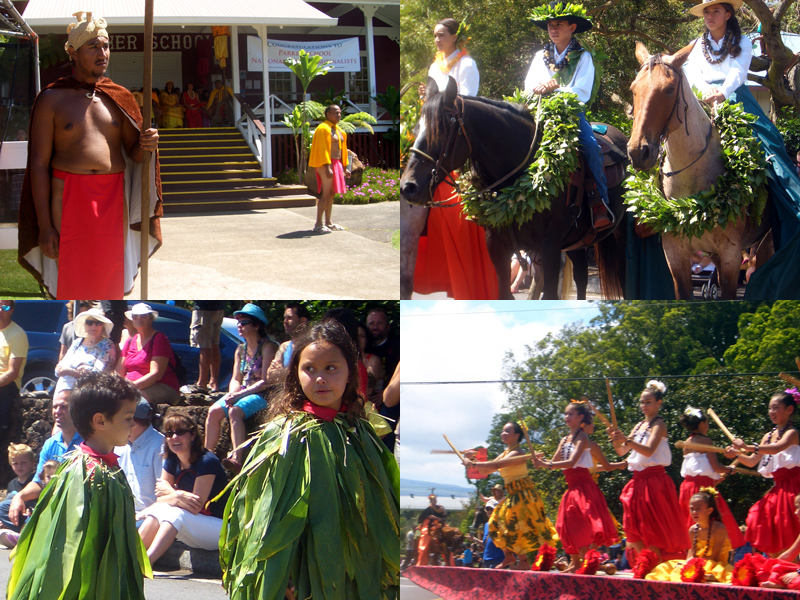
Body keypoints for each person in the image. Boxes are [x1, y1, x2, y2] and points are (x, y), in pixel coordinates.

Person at [218, 320, 400, 600]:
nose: (320, 378)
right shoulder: (285, 434)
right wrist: (281, 570)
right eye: (309, 369)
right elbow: (265, 513)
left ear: (351, 372)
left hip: (352, 574)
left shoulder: (362, 432)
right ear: (296, 375)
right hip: (301, 574)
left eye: (331, 367)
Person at [17, 12, 162, 299]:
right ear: (73, 52)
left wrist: (148, 143)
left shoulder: (120, 97)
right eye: (93, 46)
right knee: (70, 280)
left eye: (106, 46)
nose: (103, 52)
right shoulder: (51, 99)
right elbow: (38, 165)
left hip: (113, 198)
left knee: (109, 278)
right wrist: (45, 226)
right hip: (68, 197)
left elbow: (134, 154)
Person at [683, 0, 800, 298]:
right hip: (701, 99)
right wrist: (704, 91)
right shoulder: (698, 45)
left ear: (728, 14)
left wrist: (722, 91)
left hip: (735, 99)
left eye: (715, 11)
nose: (710, 16)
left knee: (769, 147)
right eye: (706, 12)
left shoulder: (743, 42)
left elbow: (738, 73)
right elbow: (691, 72)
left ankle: (785, 203)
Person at [7, 372, 151, 600]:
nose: (133, 423)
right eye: (128, 417)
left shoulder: (108, 468)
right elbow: (73, 547)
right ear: (100, 421)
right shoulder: (88, 475)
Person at [413, 17, 498, 300]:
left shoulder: (466, 64)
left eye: (441, 35)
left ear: (454, 37)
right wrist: (426, 98)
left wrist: (438, 103)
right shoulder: (434, 65)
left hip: (458, 132)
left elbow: (467, 102)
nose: (437, 40)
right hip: (435, 130)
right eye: (435, 35)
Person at [524, 2, 613, 230]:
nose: (553, 29)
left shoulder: (583, 57)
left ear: (572, 27)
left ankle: (599, 202)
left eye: (559, 24)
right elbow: (528, 86)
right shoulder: (538, 56)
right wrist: (538, 88)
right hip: (540, 111)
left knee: (591, 147)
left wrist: (557, 89)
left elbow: (582, 92)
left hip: (571, 113)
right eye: (550, 25)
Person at [609, 380, 690, 560]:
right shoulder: (638, 426)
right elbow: (622, 451)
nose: (644, 406)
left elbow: (649, 450)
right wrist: (615, 438)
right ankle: (646, 560)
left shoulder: (659, 424)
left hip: (654, 480)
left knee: (652, 526)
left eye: (648, 402)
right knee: (631, 525)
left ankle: (655, 562)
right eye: (642, 402)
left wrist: (626, 440)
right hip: (637, 480)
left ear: (658, 403)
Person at [534, 402, 618, 572]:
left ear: (580, 418)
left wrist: (547, 465)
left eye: (571, 414)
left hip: (584, 485)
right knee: (564, 525)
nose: (567, 417)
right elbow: (555, 461)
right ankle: (575, 562)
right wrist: (540, 462)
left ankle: (588, 559)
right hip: (571, 487)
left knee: (587, 523)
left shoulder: (583, 438)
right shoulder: (564, 440)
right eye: (566, 414)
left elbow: (571, 462)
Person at [137, 413, 229, 565]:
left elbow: (195, 506)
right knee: (157, 511)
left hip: (219, 529)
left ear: (192, 435)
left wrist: (174, 494)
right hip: (191, 527)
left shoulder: (207, 461)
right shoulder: (172, 459)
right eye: (169, 433)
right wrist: (177, 497)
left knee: (175, 513)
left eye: (180, 432)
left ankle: (146, 563)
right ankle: (130, 561)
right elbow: (160, 498)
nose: (174, 438)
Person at [463, 421, 557, 569]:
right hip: (514, 494)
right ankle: (510, 557)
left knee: (516, 526)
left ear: (517, 435)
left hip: (523, 493)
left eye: (507, 431)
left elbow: (495, 466)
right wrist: (473, 461)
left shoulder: (517, 452)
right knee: (494, 524)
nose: (503, 433)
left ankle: (524, 561)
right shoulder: (505, 453)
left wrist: (472, 463)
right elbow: (487, 470)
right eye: (502, 431)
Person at [724, 390, 800, 557]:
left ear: (789, 410)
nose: (771, 412)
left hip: (793, 487)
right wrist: (737, 454)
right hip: (778, 487)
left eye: (776, 408)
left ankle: (790, 570)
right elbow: (752, 461)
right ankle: (778, 568)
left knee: (786, 530)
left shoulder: (792, 433)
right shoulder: (768, 436)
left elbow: (777, 448)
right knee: (759, 518)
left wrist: (746, 446)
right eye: (770, 408)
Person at [204, 303, 277, 473]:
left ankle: (237, 457)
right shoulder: (240, 349)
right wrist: (233, 393)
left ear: (257, 325)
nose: (239, 326)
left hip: (262, 393)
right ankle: (206, 455)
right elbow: (236, 378)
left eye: (244, 323)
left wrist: (239, 395)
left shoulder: (269, 347)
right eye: (238, 322)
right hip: (243, 391)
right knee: (214, 411)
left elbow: (266, 380)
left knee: (234, 411)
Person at [3, 390, 83, 532]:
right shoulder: (50, 444)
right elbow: (38, 483)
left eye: (63, 407)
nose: (57, 411)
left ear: (76, 409)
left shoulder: (87, 442)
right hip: (51, 502)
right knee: (5, 507)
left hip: (77, 504)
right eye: (55, 407)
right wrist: (20, 496)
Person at [677, 406, 744, 547]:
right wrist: (729, 469)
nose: (708, 425)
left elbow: (698, 469)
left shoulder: (687, 443)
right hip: (701, 489)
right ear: (701, 424)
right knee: (712, 523)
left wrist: (715, 477)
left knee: (691, 523)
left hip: (688, 487)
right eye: (707, 422)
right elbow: (715, 467)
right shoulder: (706, 441)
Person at [645, 488, 733, 583]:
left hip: (714, 565)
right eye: (692, 509)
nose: (694, 512)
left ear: (709, 510)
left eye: (698, 509)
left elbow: (714, 558)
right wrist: (686, 565)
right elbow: (691, 555)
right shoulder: (692, 530)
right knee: (666, 568)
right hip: (696, 564)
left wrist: (696, 566)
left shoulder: (719, 529)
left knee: (705, 572)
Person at [118, 303, 181, 406]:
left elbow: (156, 374)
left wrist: (130, 387)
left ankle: (144, 422)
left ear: (151, 319)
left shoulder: (159, 338)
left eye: (143, 316)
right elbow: (118, 371)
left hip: (162, 386)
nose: (139, 319)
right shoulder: (130, 341)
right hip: (130, 387)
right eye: (135, 317)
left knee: (130, 400)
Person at [115, 398, 166, 513]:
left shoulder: (160, 446)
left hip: (150, 517)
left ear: (133, 422)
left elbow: (164, 495)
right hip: (122, 515)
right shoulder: (119, 445)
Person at [54, 307, 117, 394]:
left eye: (98, 323)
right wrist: (78, 370)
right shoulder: (77, 342)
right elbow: (59, 369)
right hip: (64, 389)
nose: (93, 326)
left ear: (103, 326)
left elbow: (98, 374)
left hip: (89, 392)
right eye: (89, 322)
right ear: (85, 325)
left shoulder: (107, 345)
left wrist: (71, 372)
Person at [308, 104, 350, 233]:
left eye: (339, 113)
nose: (339, 115)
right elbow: (322, 149)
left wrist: (345, 166)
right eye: (336, 113)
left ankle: (329, 222)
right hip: (325, 163)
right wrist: (327, 166)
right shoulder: (323, 128)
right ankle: (318, 224)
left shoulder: (337, 129)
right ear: (328, 115)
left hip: (336, 163)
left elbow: (342, 150)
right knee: (325, 193)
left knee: (332, 193)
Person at [182, 301, 225, 394]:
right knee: (214, 344)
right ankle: (213, 382)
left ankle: (202, 383)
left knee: (204, 346)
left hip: (204, 309)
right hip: (219, 308)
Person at [0, 301, 28, 433]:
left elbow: (12, 373)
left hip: (7, 387)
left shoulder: (17, 334)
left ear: (11, 310)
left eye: (4, 307)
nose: (0, 310)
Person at [268, 302, 309, 382]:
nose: (285, 322)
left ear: (303, 321)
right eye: (284, 318)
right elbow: (269, 376)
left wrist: (281, 372)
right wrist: (288, 372)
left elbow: (303, 376)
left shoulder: (310, 345)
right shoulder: (284, 346)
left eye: (289, 318)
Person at [417, 494, 448, 566]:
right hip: (432, 525)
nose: (435, 501)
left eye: (435, 499)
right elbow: (429, 516)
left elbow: (444, 515)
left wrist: (443, 509)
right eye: (433, 500)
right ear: (430, 501)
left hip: (440, 524)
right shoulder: (429, 509)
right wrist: (437, 518)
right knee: (428, 535)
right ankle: (424, 556)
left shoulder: (438, 508)